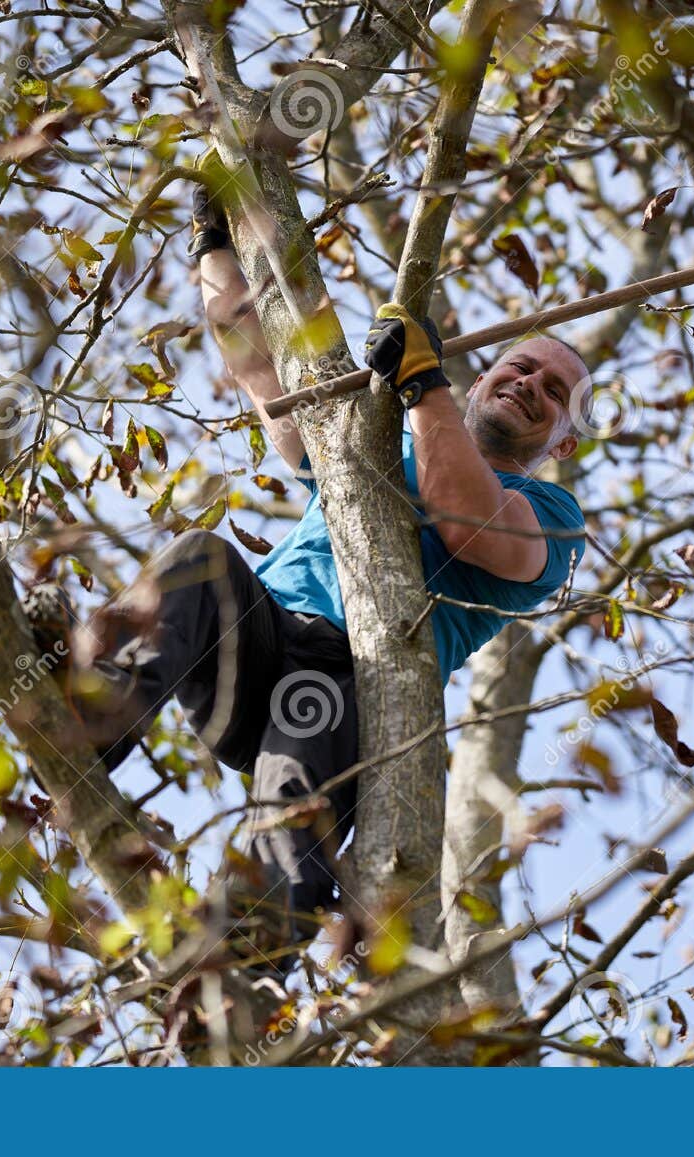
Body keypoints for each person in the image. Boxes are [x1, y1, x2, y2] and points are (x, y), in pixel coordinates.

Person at [32, 157, 588, 966]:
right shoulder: (378, 433)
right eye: (520, 367)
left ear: (563, 441)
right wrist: (218, 250)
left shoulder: (552, 520)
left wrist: (423, 384)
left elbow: (469, 522)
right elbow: (262, 367)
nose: (531, 383)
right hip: (253, 641)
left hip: (352, 682)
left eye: (553, 390)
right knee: (196, 562)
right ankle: (86, 720)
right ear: (484, 381)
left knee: (292, 813)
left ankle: (239, 975)